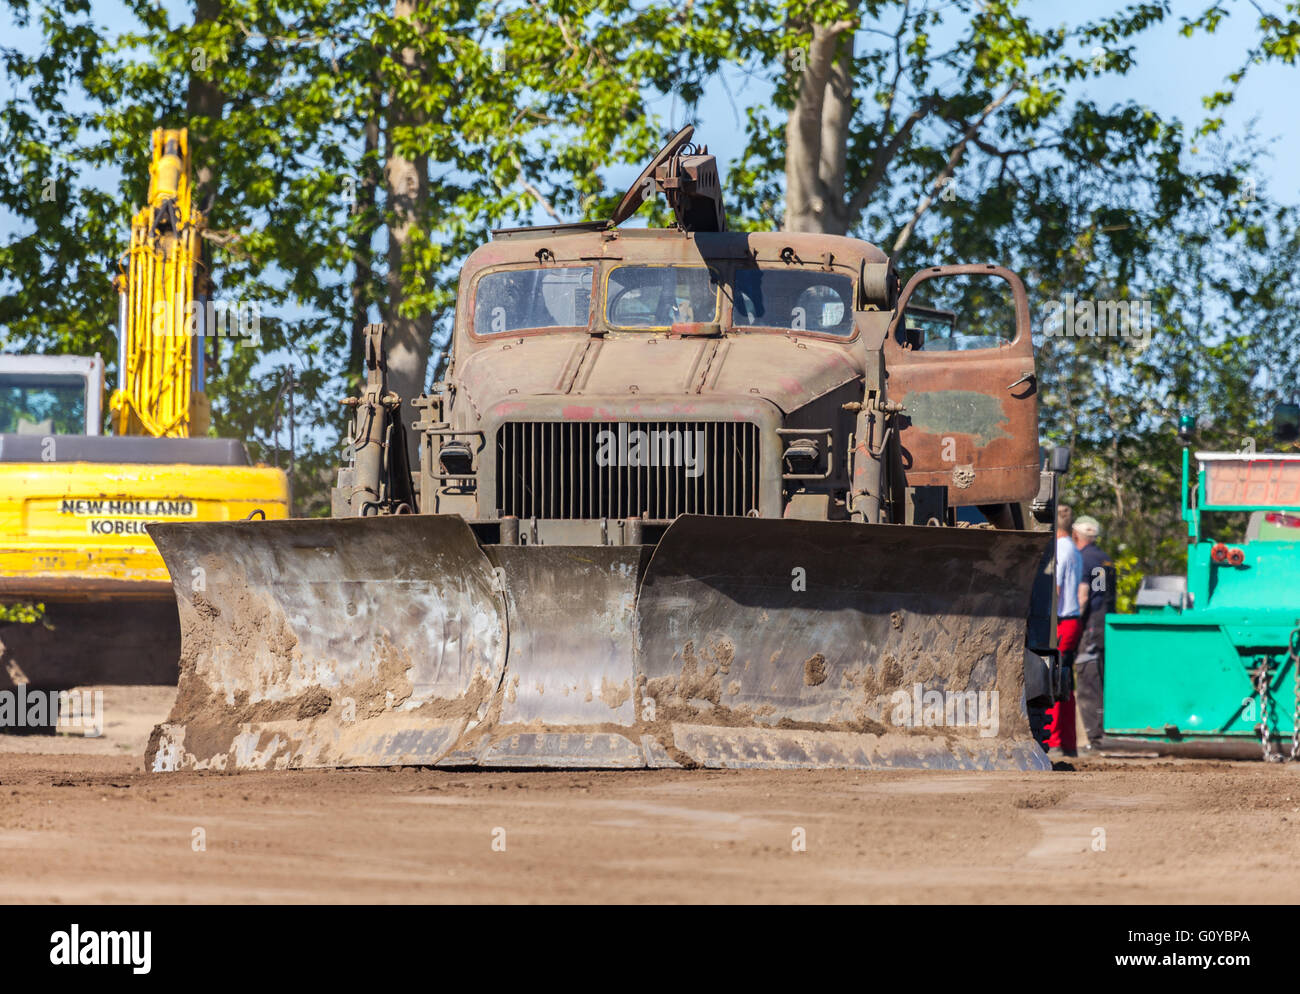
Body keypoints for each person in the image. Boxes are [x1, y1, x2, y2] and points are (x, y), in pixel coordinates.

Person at [1072, 515, 1113, 752]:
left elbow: (1084, 596)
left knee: (1088, 682)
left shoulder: (1084, 559)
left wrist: (1071, 622)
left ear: (1077, 536)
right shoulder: (1105, 559)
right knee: (1102, 680)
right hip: (1107, 626)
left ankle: (1096, 739)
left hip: (1090, 626)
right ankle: (1102, 733)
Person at [1046, 503, 1083, 758]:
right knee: (1066, 683)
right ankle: (1068, 742)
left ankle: (1055, 739)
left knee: (1052, 679)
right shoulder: (1075, 549)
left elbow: (1054, 588)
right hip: (1072, 619)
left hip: (1060, 620)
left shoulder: (1059, 549)